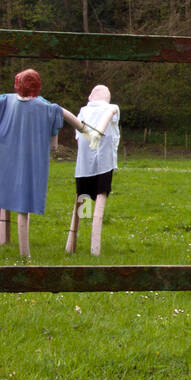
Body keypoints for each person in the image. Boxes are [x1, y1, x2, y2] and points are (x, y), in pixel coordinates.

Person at [0, 68, 101, 258]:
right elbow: (69, 120)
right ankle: (25, 255)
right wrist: (89, 132)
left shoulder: (3, 100)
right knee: (22, 207)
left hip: (6, 160)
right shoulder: (45, 106)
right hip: (30, 164)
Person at [67, 84, 121, 256]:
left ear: (91, 97)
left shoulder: (83, 111)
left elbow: (77, 127)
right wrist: (98, 133)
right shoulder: (112, 107)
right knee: (99, 197)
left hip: (83, 167)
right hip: (103, 166)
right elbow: (108, 114)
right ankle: (94, 249)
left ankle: (72, 244)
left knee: (82, 199)